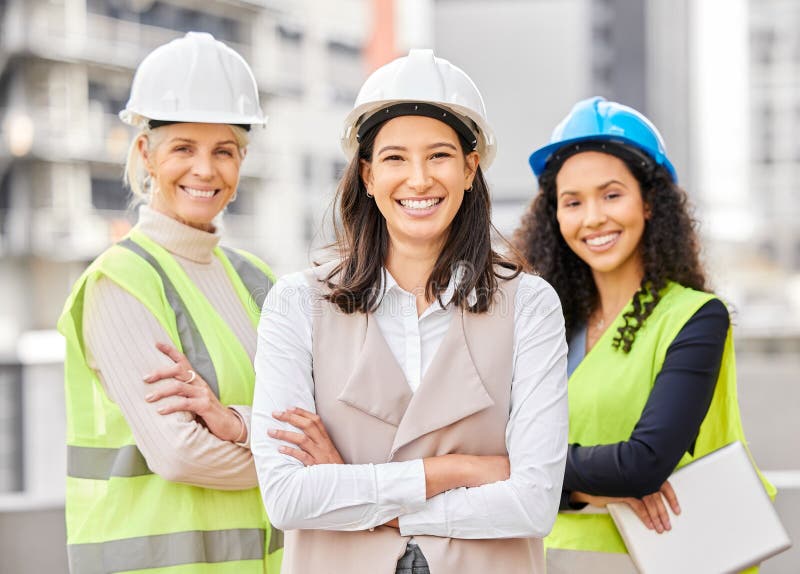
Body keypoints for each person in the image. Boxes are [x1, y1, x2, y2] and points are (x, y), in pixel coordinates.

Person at [250, 49, 569, 574]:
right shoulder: (296, 303)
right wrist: (454, 469)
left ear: (470, 170)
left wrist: (360, 496)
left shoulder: (530, 304)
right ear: (368, 175)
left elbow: (533, 503)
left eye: (439, 156)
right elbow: (287, 497)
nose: (418, 180)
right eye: (396, 158)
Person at [514, 96, 776, 573]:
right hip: (553, 560)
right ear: (555, 216)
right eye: (572, 202)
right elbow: (492, 448)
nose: (592, 217)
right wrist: (578, 484)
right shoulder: (543, 324)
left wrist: (535, 472)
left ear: (650, 202)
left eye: (611, 194)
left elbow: (642, 465)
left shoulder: (696, 318)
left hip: (671, 561)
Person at [58, 32, 282, 573]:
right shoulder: (121, 281)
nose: (205, 170)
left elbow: (313, 419)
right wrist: (301, 468)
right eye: (184, 148)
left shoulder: (259, 280)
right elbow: (179, 452)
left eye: (223, 151)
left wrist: (236, 423)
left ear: (241, 161)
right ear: (145, 155)